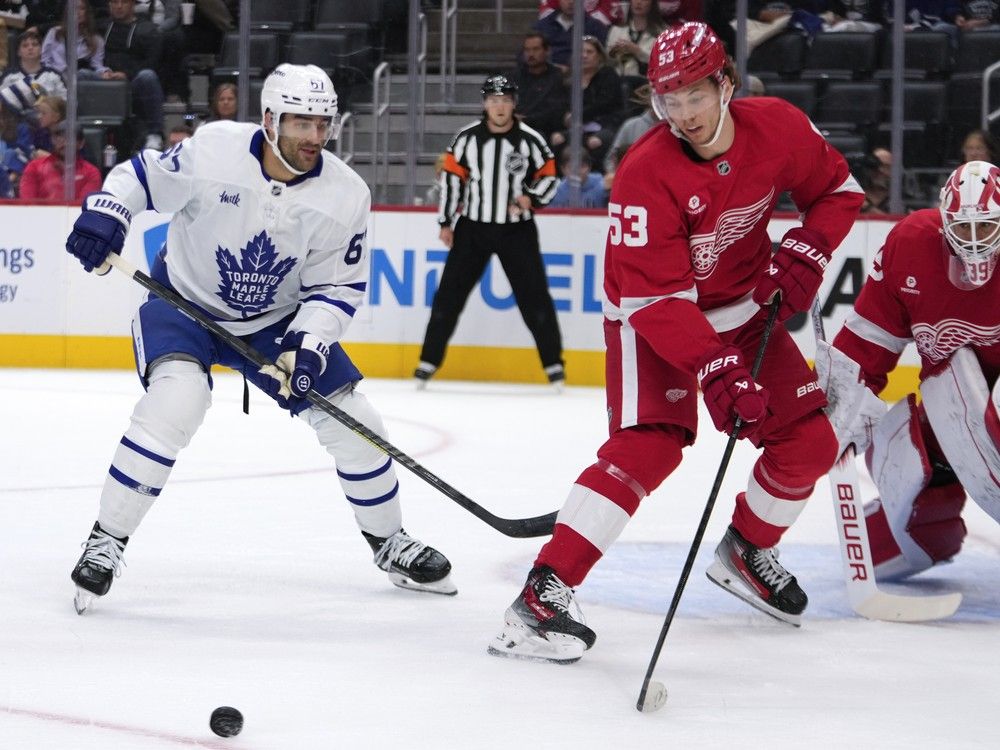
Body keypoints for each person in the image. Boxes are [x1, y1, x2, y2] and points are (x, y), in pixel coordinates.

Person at [487, 22, 865, 664]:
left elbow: (839, 191)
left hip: (744, 307)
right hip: (651, 314)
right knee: (651, 444)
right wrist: (718, 369)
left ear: (725, 83)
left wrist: (810, 243)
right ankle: (544, 593)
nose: (684, 113)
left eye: (695, 93)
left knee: (809, 443)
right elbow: (655, 300)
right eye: (670, 99)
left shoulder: (777, 126)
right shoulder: (645, 174)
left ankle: (747, 549)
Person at [63, 63, 456, 615]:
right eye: (302, 123)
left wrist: (308, 346)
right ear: (270, 120)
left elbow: (337, 286)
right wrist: (107, 212)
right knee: (176, 401)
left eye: (324, 124)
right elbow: (143, 176)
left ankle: (389, 541)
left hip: (275, 321)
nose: (315, 137)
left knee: (357, 421)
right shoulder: (216, 150)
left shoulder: (345, 194)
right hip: (185, 303)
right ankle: (106, 540)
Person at [820, 160, 1000, 582]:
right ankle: (909, 530)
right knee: (889, 544)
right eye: (963, 228)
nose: (973, 242)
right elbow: (870, 338)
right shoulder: (911, 244)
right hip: (951, 406)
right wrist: (841, 404)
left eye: (986, 228)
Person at [413, 74, 564, 389]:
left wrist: (531, 198)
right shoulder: (467, 138)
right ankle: (427, 363)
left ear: (513, 104)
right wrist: (445, 222)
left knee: (535, 297)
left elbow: (550, 175)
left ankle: (554, 367)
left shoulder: (530, 140)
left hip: (517, 230)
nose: (499, 106)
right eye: (494, 100)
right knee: (449, 297)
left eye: (505, 100)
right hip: (473, 229)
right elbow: (452, 182)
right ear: (485, 103)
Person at [549, 36, 624, 171]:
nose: (584, 56)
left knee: (595, 142)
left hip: (605, 125)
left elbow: (605, 104)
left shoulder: (608, 75)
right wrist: (565, 117)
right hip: (575, 128)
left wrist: (577, 115)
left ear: (599, 56)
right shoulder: (567, 80)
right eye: (580, 52)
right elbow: (558, 105)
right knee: (557, 139)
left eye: (589, 52)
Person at [102, 0, 166, 150]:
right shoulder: (102, 27)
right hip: (105, 83)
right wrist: (102, 72)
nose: (118, 6)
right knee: (83, 75)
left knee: (147, 76)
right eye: (114, 2)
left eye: (123, 2)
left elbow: (152, 61)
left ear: (132, 4)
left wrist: (126, 74)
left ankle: (155, 134)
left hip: (133, 83)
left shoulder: (147, 29)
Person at [18, 119, 101, 199]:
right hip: (40, 213)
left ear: (81, 143)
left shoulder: (91, 173)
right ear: (52, 140)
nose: (64, 143)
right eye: (60, 138)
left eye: (70, 139)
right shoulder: (34, 167)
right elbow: (27, 204)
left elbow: (85, 207)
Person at [510, 32, 568, 142]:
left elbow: (556, 112)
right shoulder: (513, 77)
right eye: (527, 50)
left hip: (546, 130)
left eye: (536, 49)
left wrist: (526, 119)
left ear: (547, 51)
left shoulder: (557, 78)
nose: (531, 54)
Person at [41, 0, 108, 79]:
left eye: (81, 8)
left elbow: (97, 65)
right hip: (55, 78)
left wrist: (105, 72)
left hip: (81, 80)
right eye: (74, 8)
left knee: (84, 73)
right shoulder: (54, 33)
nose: (77, 12)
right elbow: (44, 60)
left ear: (87, 12)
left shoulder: (96, 40)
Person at [534, 0, 609, 68]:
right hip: (549, 76)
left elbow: (602, 59)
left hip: (584, 76)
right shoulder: (542, 26)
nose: (571, 2)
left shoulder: (596, 27)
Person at [0, 29, 67, 105]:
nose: (30, 48)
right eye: (25, 45)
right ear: (18, 52)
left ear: (41, 49)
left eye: (35, 44)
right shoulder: (9, 76)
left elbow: (65, 104)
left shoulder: (54, 75)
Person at [605, 0, 666, 77]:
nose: (638, 2)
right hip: (619, 82)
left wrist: (638, 51)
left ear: (652, 4)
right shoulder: (616, 30)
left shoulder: (663, 33)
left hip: (647, 84)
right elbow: (607, 63)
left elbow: (663, 63)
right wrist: (613, 53)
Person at [860, 146, 892, 214]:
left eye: (886, 166)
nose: (880, 170)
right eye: (875, 165)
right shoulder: (853, 197)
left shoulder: (901, 201)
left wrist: (867, 207)